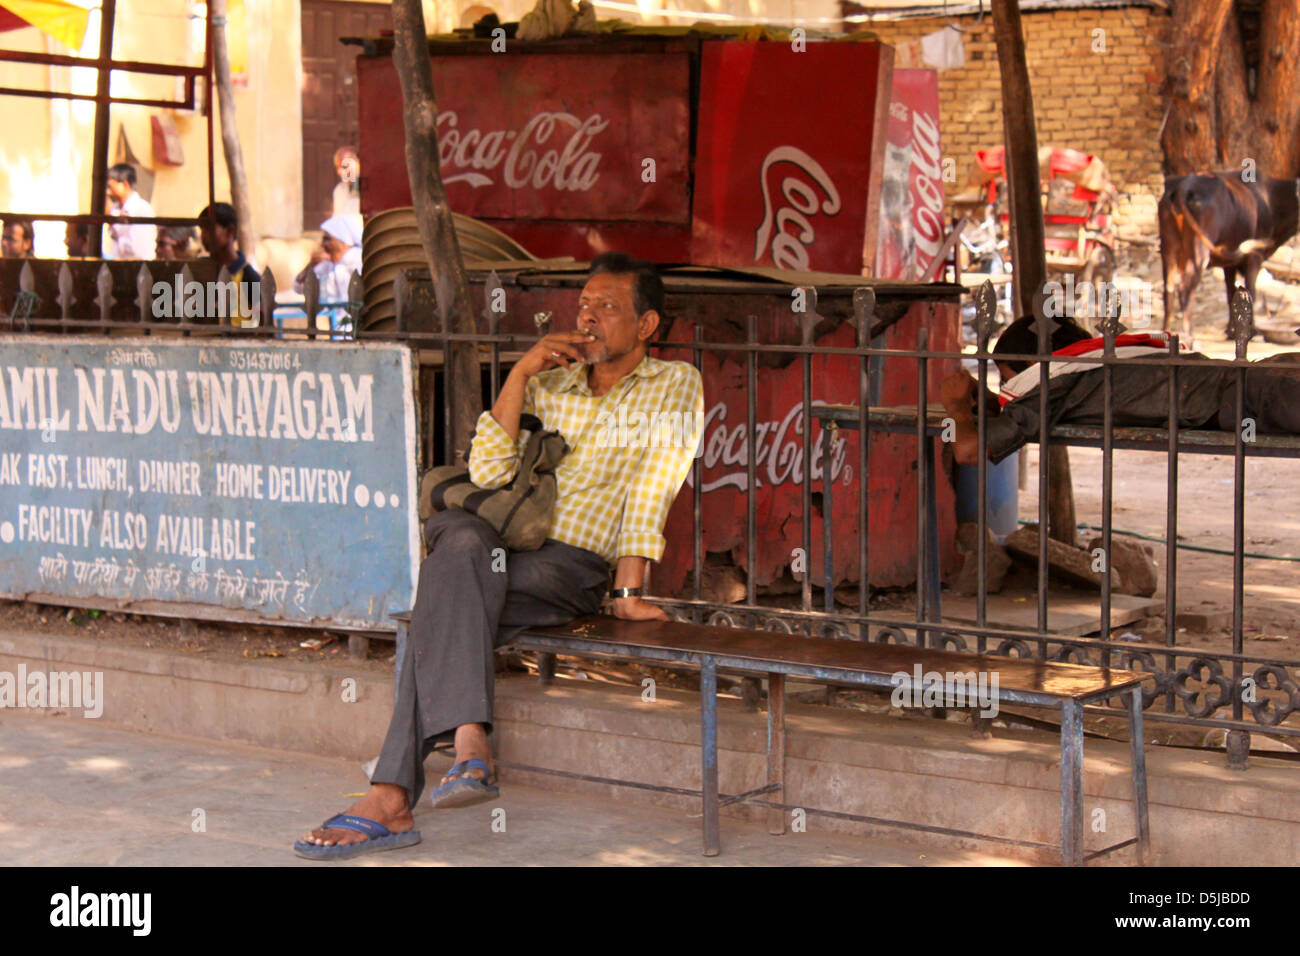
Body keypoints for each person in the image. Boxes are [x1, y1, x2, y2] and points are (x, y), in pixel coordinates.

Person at [294, 253, 704, 860]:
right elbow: (487, 472)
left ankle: (398, 788)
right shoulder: (551, 382)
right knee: (458, 539)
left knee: (441, 595)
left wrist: (626, 592)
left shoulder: (674, 385)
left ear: (646, 326)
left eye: (607, 308)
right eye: (584, 305)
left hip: (569, 563)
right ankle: (464, 746)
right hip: (498, 546)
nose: (587, 318)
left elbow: (655, 484)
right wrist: (519, 375)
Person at [940, 315, 1300, 466]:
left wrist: (956, 408)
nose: (1007, 389)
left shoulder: (1054, 377)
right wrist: (989, 400)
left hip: (1261, 398)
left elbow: (969, 451)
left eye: (1007, 379)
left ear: (1032, 365)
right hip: (1269, 380)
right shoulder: (1093, 360)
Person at [293, 216, 362, 339]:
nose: (322, 244)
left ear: (343, 241)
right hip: (333, 329)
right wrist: (310, 266)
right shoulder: (327, 265)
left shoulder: (358, 260)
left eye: (327, 239)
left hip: (357, 329)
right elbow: (298, 287)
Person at [198, 202, 260, 327]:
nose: (203, 236)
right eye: (202, 230)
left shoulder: (248, 277)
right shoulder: (200, 269)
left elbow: (262, 323)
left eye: (209, 229)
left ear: (230, 231)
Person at [104, 164, 157, 260]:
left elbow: (139, 250)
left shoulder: (141, 209)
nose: (108, 192)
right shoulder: (115, 209)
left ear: (124, 184)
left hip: (139, 267)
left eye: (110, 187)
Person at [331, 146, 362, 236]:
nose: (340, 172)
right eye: (338, 167)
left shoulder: (367, 189)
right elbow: (336, 219)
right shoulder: (339, 190)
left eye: (345, 167)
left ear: (358, 163)